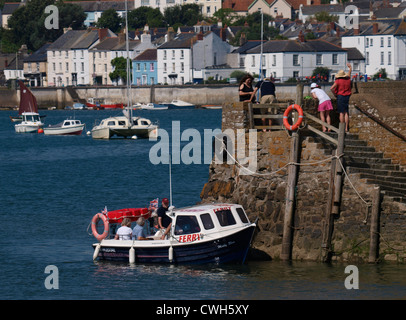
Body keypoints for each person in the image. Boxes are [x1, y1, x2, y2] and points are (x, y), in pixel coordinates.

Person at [330, 63, 352, 132]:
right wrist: (350, 67)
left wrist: (335, 94)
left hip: (340, 96)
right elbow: (349, 73)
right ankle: (346, 128)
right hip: (347, 96)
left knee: (341, 113)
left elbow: (331, 88)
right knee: (346, 113)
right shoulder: (348, 80)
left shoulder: (338, 81)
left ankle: (342, 128)